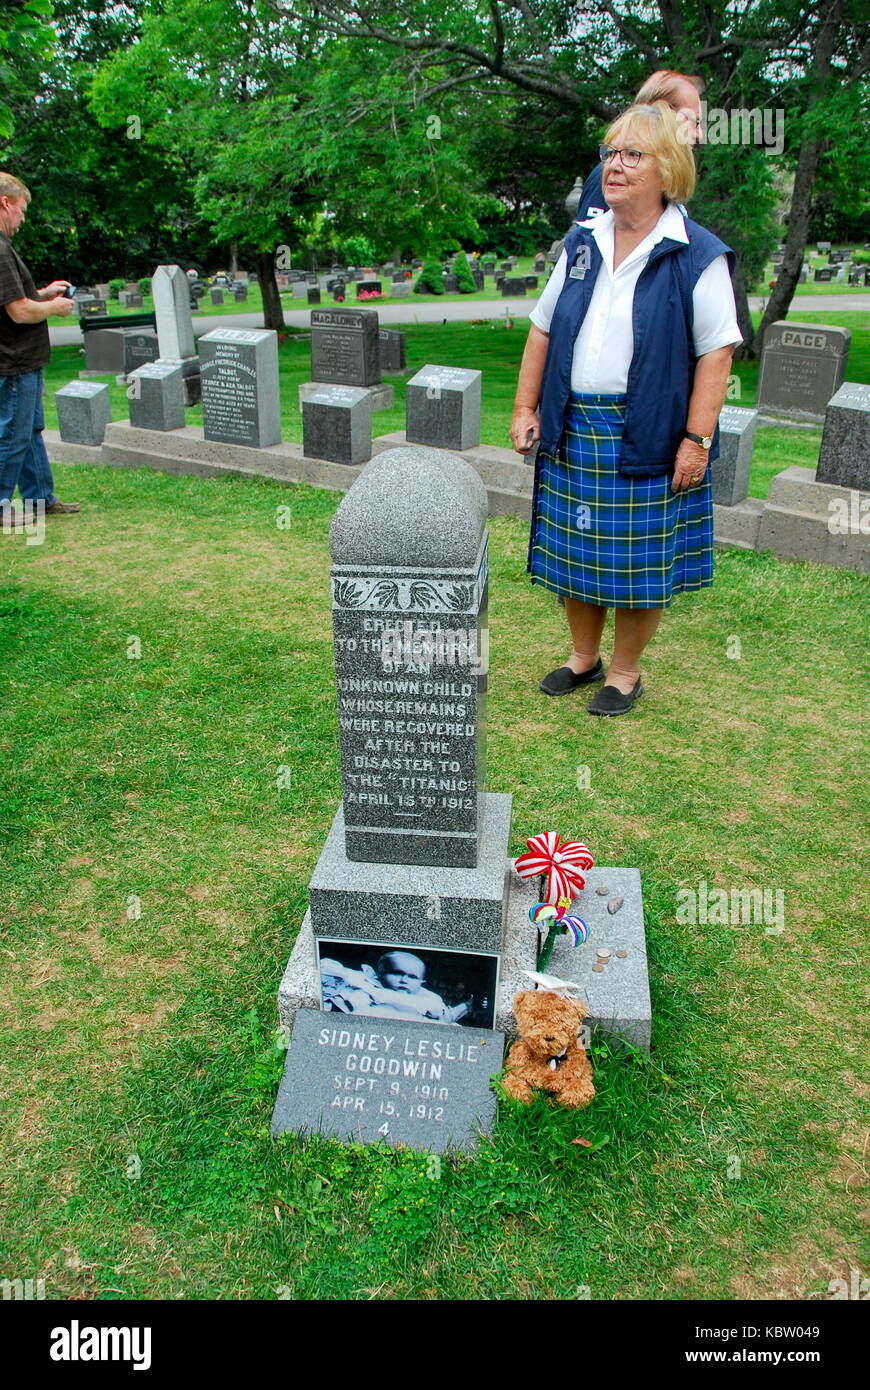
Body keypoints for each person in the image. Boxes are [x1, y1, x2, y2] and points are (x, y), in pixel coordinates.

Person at [510, 102, 741, 716]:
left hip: (649, 433)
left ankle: (626, 671)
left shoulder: (697, 254)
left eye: (632, 154)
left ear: (669, 169)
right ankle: (583, 658)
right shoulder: (581, 245)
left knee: (638, 565)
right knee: (575, 554)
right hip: (574, 426)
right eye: (611, 153)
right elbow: (541, 330)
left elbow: (717, 355)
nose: (614, 165)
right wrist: (525, 405)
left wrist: (696, 440)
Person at [0, 172, 80, 526]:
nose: (22, 218)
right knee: (13, 435)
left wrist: (42, 294)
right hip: (13, 361)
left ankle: (39, 498)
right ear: (5, 203)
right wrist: (54, 308)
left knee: (29, 431)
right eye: (21, 209)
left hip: (23, 360)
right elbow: (19, 312)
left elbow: (14, 300)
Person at [575, 71, 704, 222]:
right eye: (693, 121)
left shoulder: (666, 179)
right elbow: (588, 241)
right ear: (663, 113)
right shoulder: (613, 178)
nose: (699, 134)